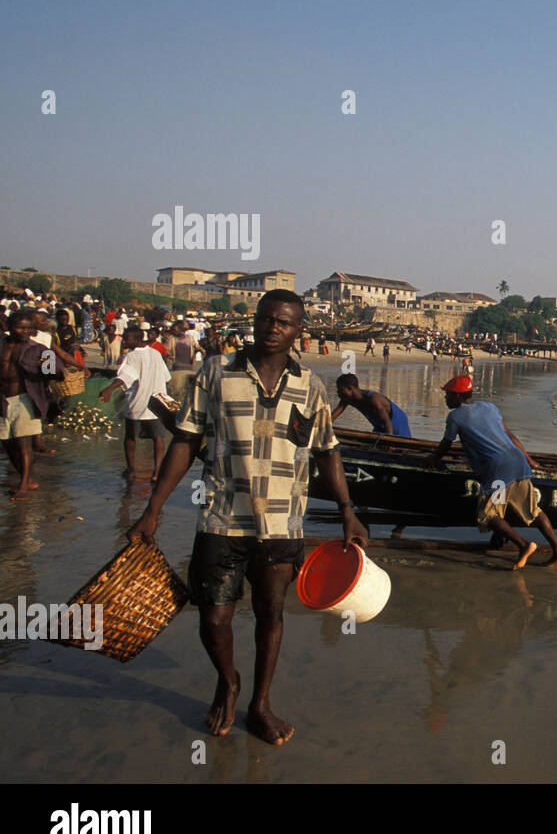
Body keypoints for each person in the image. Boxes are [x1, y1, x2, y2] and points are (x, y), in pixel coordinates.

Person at [126, 290, 367, 746]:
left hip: (282, 524)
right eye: (267, 319)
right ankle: (228, 679)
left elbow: (327, 452)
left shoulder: (310, 386)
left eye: (285, 322)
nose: (274, 327)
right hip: (222, 518)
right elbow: (184, 441)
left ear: (299, 332)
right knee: (213, 618)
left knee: (270, 613)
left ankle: (260, 703)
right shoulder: (215, 372)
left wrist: (347, 512)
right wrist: (151, 510)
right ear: (255, 321)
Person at [425, 375, 557, 570]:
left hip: (498, 468)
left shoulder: (455, 416)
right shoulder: (489, 407)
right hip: (516, 461)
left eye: (448, 395)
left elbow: (445, 445)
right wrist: (529, 460)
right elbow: (509, 435)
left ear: (458, 397)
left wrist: (432, 459)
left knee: (487, 514)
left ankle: (523, 545)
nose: (446, 399)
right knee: (533, 511)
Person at [1, 311, 63, 499]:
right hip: (4, 399)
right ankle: (26, 478)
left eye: (29, 328)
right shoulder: (2, 345)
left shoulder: (38, 349)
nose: (25, 331)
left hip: (26, 398)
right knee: (6, 442)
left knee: (24, 443)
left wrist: (44, 366)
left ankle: (24, 486)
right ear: (10, 327)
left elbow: (56, 373)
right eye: (20, 327)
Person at [99, 327, 172, 480]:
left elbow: (126, 376)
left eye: (127, 338)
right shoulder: (156, 354)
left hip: (137, 404)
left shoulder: (131, 356)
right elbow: (166, 377)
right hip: (156, 405)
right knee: (158, 438)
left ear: (137, 339)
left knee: (130, 437)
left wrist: (109, 389)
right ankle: (157, 472)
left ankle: (131, 470)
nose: (124, 341)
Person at [332, 374, 411, 437]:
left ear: (350, 388)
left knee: (400, 446)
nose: (338, 392)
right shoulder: (347, 399)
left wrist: (389, 443)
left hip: (396, 421)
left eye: (340, 390)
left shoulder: (373, 399)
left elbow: (387, 422)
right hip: (379, 424)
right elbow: (332, 417)